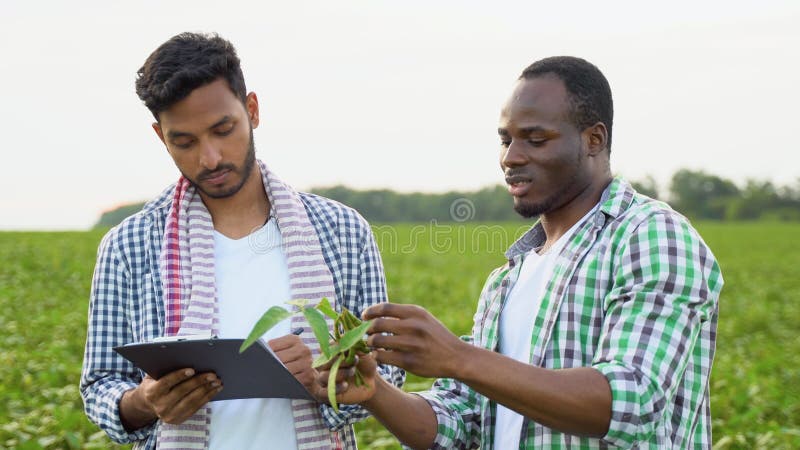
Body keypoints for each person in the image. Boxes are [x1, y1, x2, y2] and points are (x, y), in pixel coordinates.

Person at [326, 56, 723, 449]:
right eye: (505, 139)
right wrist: (374, 390)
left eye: (536, 139)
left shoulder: (650, 236)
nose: (510, 157)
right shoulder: (508, 277)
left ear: (593, 140)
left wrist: (458, 356)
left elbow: (632, 404)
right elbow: (460, 424)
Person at [79, 32, 403, 450]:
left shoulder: (343, 231)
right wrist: (144, 402)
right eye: (185, 141)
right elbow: (100, 387)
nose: (210, 157)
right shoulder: (128, 245)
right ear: (161, 137)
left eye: (223, 129)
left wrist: (331, 379)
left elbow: (387, 376)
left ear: (251, 110)